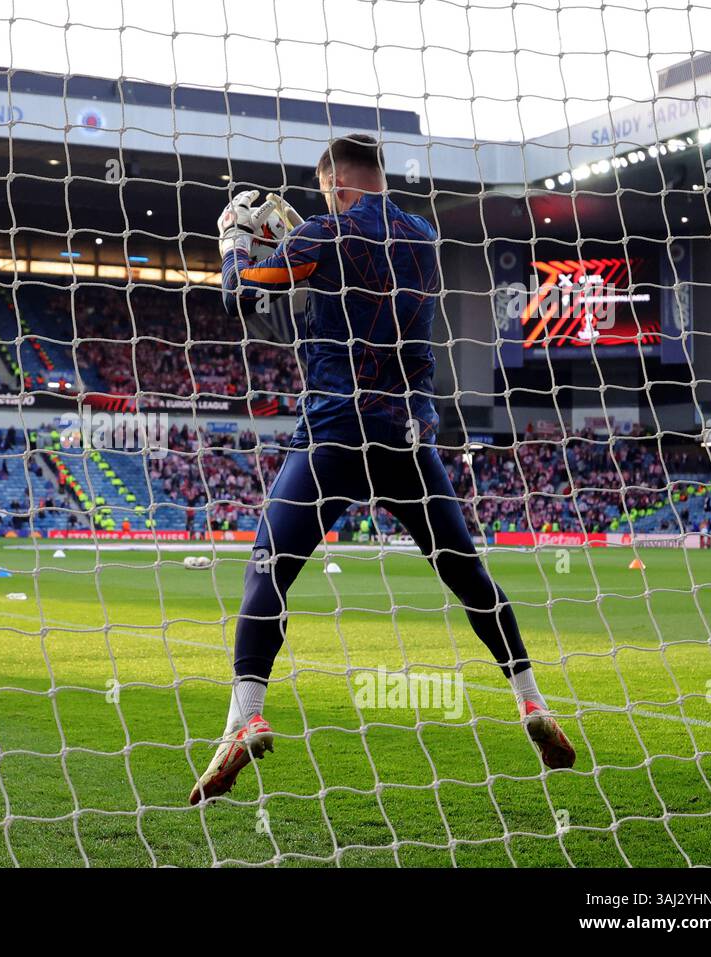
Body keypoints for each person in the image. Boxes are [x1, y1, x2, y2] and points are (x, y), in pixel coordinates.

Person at [190, 134, 575, 806]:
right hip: (409, 435)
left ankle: (246, 712)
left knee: (269, 567)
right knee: (465, 570)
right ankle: (531, 700)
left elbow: (240, 298)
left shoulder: (322, 233)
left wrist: (235, 245)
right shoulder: (423, 235)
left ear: (334, 181)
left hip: (337, 430)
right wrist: (303, 240)